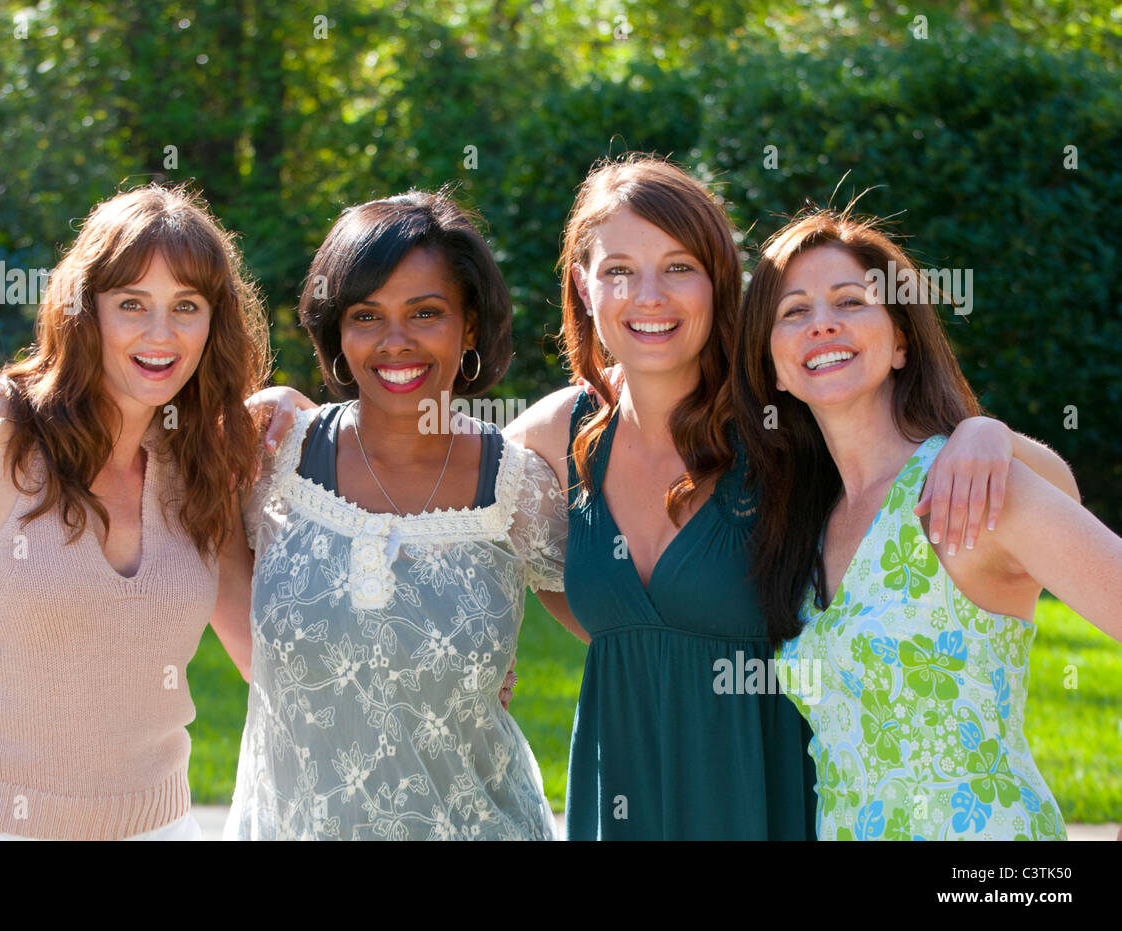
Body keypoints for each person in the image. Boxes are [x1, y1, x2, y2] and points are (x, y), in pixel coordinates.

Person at [257, 154, 1076, 839]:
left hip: (765, 793)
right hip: (622, 795)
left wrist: (981, 434)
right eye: (620, 270)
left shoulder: (785, 421)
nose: (649, 296)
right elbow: (423, 478)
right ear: (584, 287)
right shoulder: (551, 436)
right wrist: (294, 412)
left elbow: (1044, 493)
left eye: (678, 267)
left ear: (720, 281)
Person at [0, 184, 268, 840]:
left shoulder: (202, 459)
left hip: (164, 827)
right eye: (131, 304)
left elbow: (264, 656)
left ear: (215, 319)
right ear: (85, 312)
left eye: (186, 305)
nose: (161, 333)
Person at [735, 207, 1121, 839]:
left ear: (901, 340)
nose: (823, 322)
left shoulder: (969, 488)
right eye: (793, 311)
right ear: (773, 367)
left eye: (851, 301)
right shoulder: (801, 529)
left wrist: (989, 433)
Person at [223, 189, 569, 840]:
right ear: (337, 330)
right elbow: (138, 547)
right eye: (366, 314)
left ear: (469, 325)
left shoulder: (516, 489)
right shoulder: (269, 460)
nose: (395, 342)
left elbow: (630, 624)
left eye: (426, 312)